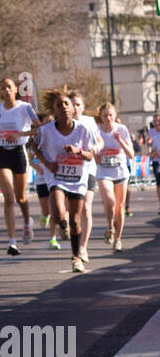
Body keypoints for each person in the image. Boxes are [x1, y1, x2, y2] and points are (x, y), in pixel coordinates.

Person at [31, 93, 94, 272]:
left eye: (67, 104)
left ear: (74, 109)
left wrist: (78, 151)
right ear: (55, 111)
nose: (64, 107)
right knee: (58, 214)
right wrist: (46, 163)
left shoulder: (82, 130)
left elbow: (91, 155)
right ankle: (62, 223)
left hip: (77, 178)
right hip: (57, 176)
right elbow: (33, 146)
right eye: (60, 105)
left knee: (75, 221)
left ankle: (76, 258)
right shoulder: (47, 131)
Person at [0, 77, 39, 256]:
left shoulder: (25, 108)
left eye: (9, 87)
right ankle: (12, 242)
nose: (6, 90)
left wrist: (19, 134)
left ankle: (26, 222)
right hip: (2, 153)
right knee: (9, 197)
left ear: (16, 89)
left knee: (21, 197)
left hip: (19, 152)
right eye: (3, 88)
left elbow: (38, 128)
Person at [95, 102, 133, 251]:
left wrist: (120, 141)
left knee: (120, 208)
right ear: (101, 117)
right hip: (104, 172)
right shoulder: (97, 131)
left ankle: (118, 239)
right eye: (105, 115)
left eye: (111, 115)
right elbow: (92, 152)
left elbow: (130, 154)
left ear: (115, 115)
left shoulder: (122, 130)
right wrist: (96, 157)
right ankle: (110, 227)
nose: (108, 118)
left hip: (120, 172)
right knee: (110, 201)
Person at [69, 89, 102, 263]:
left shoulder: (89, 122)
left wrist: (95, 149)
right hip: (70, 171)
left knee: (87, 208)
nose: (75, 108)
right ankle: (74, 239)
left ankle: (82, 247)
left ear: (83, 107)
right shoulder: (63, 123)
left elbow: (99, 140)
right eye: (72, 104)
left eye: (78, 104)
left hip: (88, 168)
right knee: (74, 211)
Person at [149, 113, 160, 215]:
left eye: (159, 121)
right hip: (157, 163)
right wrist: (155, 153)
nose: (157, 123)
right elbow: (151, 154)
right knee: (159, 184)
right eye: (155, 121)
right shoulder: (154, 136)